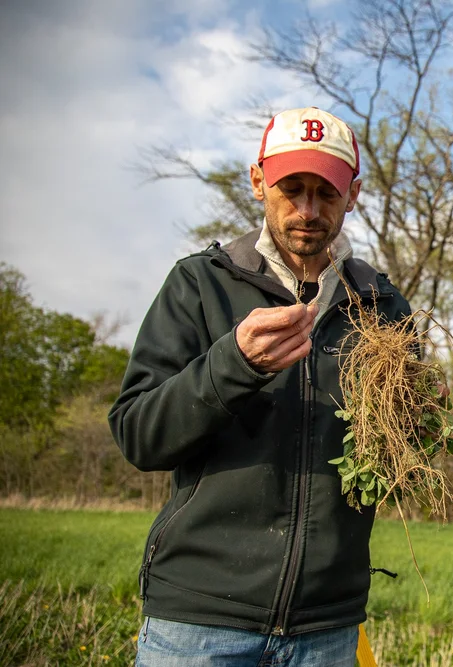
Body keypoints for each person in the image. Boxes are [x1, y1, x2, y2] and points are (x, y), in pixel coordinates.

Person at [109, 107, 410, 666]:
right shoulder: (201, 285)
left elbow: (390, 464)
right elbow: (138, 435)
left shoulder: (381, 305)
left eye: (326, 192)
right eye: (291, 189)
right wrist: (235, 364)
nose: (307, 211)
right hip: (199, 624)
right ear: (257, 181)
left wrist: (412, 425)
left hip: (327, 627)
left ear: (353, 194)